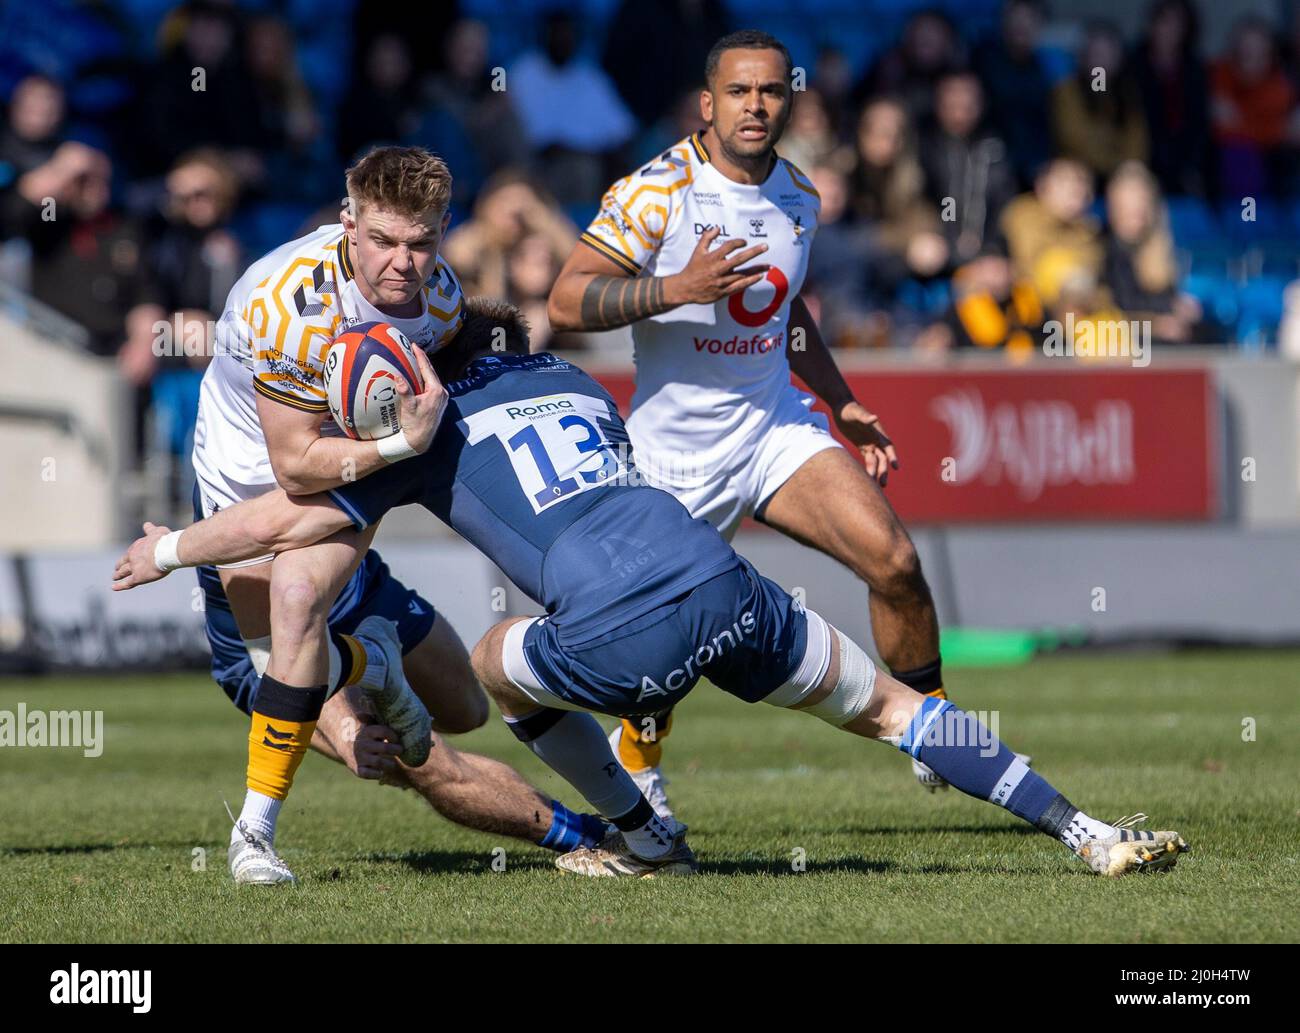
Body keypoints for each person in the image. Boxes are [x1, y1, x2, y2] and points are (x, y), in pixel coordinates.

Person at [112, 300, 1190, 880]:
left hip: (619, 629)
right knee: (893, 709)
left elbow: (280, 517)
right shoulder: (575, 379)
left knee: (492, 668)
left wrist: (169, 552)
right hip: (726, 582)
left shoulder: (420, 436)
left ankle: (641, 831)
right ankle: (1082, 829)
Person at [545, 31, 965, 816]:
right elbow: (566, 300)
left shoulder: (798, 196)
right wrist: (675, 287)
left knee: (896, 561)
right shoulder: (654, 191)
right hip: (675, 454)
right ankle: (638, 777)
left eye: (770, 91)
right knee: (658, 647)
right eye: (738, 92)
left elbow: (786, 310)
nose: (755, 106)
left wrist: (838, 400)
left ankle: (933, 726)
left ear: (788, 100)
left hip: (773, 425)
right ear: (707, 104)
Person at [179, 144, 598, 883]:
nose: (403, 263)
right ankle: (255, 836)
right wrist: (403, 444)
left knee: (463, 707)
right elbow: (295, 465)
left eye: (422, 242)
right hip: (247, 509)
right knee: (365, 729)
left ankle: (367, 656)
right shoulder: (285, 304)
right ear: (348, 223)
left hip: (346, 487)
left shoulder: (438, 298)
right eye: (382, 240)